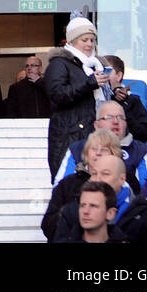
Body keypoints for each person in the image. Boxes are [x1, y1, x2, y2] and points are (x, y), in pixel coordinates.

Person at [43, 14, 107, 177]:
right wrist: (89, 84)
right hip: (68, 136)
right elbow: (56, 95)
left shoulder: (91, 65)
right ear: (71, 41)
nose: (89, 44)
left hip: (89, 133)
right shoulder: (59, 64)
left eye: (92, 40)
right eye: (84, 40)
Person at [52, 101, 147, 194]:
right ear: (96, 125)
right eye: (108, 117)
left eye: (120, 117)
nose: (115, 121)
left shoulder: (140, 151)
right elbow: (60, 189)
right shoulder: (77, 149)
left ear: (126, 123)